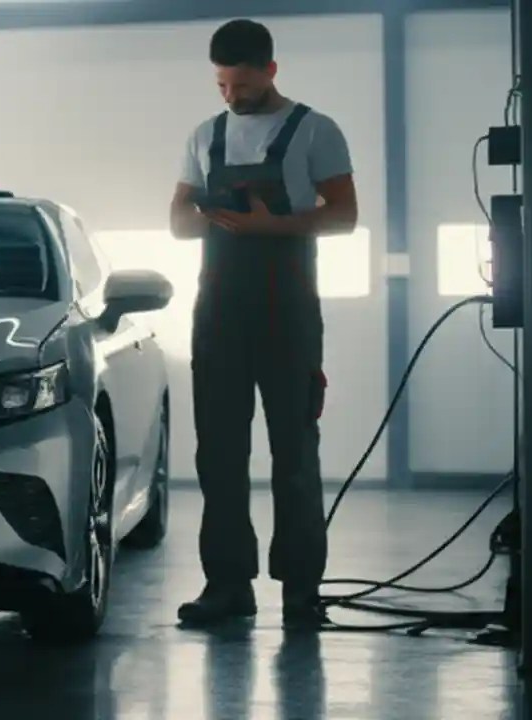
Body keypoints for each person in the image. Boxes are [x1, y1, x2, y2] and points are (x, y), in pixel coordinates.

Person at [169, 18, 358, 630]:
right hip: (217, 314)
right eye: (222, 85)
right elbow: (177, 219)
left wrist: (264, 226)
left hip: (289, 312)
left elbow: (345, 215)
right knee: (218, 454)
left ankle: (302, 592)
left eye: (242, 85)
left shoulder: (315, 130)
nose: (231, 97)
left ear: (271, 71)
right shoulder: (204, 134)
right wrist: (218, 215)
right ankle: (227, 585)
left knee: (294, 454)